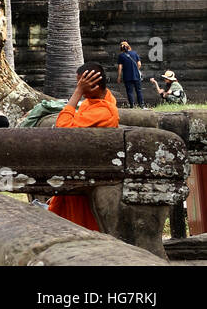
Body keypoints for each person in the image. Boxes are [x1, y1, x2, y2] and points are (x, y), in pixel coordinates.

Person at [47, 63, 119, 230]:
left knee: (80, 225)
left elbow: (62, 130)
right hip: (78, 169)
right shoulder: (97, 100)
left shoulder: (105, 110)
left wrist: (78, 92)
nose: (77, 86)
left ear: (93, 85)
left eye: (80, 83)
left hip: (88, 175)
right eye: (78, 84)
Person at [117, 41, 145, 109]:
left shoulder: (121, 56)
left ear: (121, 48)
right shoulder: (134, 53)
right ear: (128, 46)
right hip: (136, 76)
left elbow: (120, 67)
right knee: (138, 90)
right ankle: (142, 105)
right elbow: (139, 64)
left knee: (130, 92)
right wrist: (135, 69)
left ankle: (132, 106)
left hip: (127, 76)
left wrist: (119, 77)